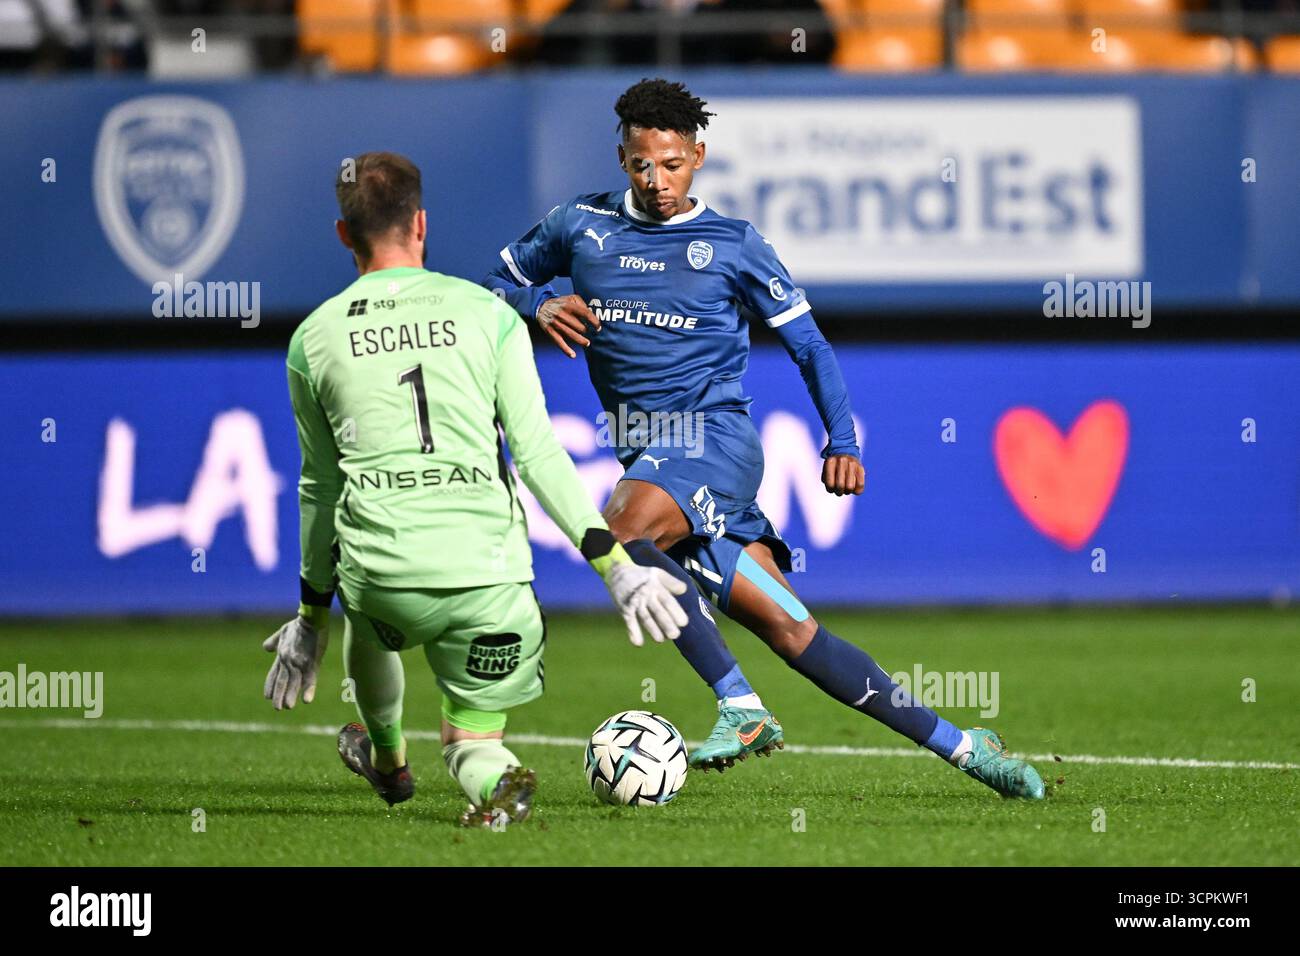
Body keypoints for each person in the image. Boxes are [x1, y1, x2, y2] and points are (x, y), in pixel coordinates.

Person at [482, 79, 1044, 798]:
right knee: (795, 633)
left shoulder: (733, 244)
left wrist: (843, 438)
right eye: (642, 165)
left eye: (674, 163)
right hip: (651, 456)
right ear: (622, 158)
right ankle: (968, 748)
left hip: (714, 441)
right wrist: (536, 300)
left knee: (618, 530)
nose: (658, 181)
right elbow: (492, 285)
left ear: (700, 156)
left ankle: (740, 706)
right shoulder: (578, 226)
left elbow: (809, 346)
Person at [262, 151, 689, 827]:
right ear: (422, 224)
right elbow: (539, 453)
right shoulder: (487, 315)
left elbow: (320, 489)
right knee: (472, 739)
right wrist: (617, 568)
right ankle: (492, 780)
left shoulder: (313, 340)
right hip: (492, 582)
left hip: (385, 581)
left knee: (367, 631)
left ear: (344, 234)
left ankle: (388, 758)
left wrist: (310, 619)